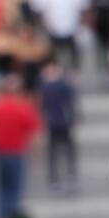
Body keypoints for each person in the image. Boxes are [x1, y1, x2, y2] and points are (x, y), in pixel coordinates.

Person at [0, 74, 40, 218]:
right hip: (16, 152)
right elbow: (34, 133)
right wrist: (34, 154)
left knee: (2, 187)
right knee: (15, 187)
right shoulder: (23, 108)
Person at [29, 0, 90, 72]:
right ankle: (54, 74)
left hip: (72, 27)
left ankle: (72, 73)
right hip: (51, 28)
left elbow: (84, 7)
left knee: (74, 55)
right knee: (50, 56)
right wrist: (39, 27)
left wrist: (84, 25)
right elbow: (36, 8)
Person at [38, 61, 78, 193]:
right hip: (62, 121)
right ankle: (69, 177)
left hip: (54, 122)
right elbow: (71, 101)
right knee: (66, 150)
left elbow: (42, 106)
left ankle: (57, 179)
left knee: (55, 152)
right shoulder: (62, 85)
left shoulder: (45, 86)